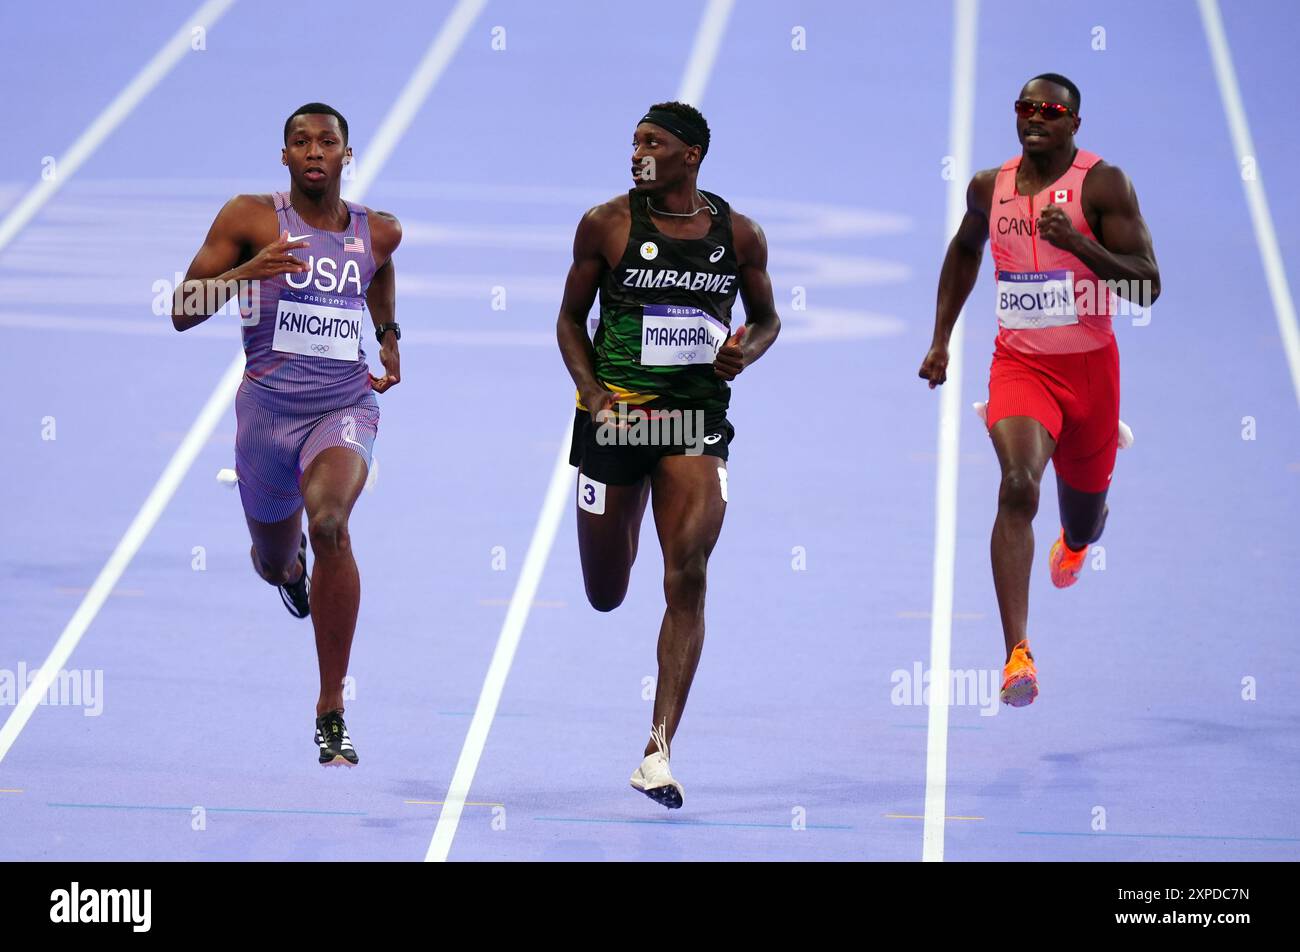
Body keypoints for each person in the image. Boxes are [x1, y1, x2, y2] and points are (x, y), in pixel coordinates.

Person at [556, 101, 780, 806]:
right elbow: (568, 318)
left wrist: (748, 348)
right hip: (618, 421)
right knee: (606, 592)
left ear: (691, 155)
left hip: (693, 421)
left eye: (651, 142)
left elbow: (768, 318)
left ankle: (657, 750)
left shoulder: (739, 236)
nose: (636, 152)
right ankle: (616, 525)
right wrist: (592, 393)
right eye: (633, 141)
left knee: (688, 569)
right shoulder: (608, 224)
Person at [918, 74, 1160, 707]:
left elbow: (1147, 285)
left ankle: (1077, 541)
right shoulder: (987, 188)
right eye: (1025, 107)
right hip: (1020, 368)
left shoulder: (1104, 185)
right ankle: (1017, 654)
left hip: (1091, 376)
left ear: (1074, 123)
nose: (1034, 117)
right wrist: (941, 338)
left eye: (1049, 110)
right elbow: (964, 250)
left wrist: (1080, 244)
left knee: (1083, 518)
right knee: (1018, 485)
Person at [173, 103, 403, 763]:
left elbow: (378, 274)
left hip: (343, 409)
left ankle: (331, 706)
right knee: (273, 557)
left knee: (331, 522)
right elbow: (180, 311)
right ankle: (289, 567)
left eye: (326, 141)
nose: (312, 151)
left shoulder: (377, 231)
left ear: (345, 155)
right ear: (284, 156)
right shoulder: (247, 218)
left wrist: (387, 336)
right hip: (265, 421)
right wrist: (249, 271)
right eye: (299, 141)